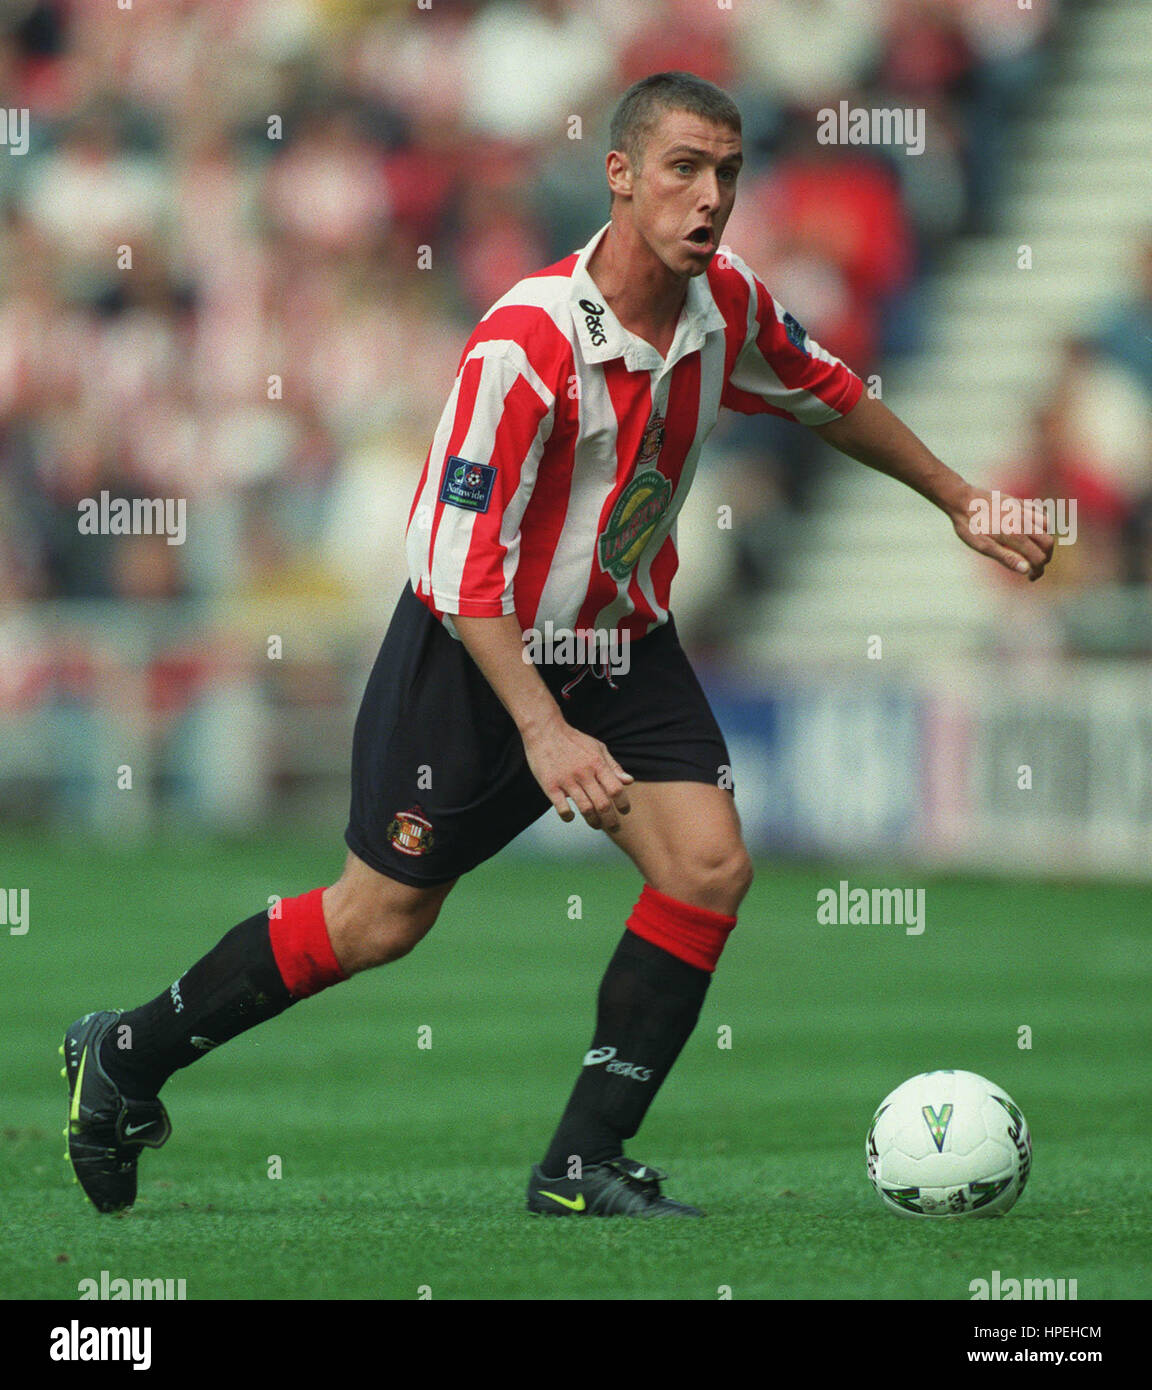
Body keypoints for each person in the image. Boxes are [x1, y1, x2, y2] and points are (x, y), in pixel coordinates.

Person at [62, 71, 1053, 1219]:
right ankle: (128, 1053)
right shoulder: (523, 347)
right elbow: (456, 563)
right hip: (473, 654)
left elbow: (830, 394)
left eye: (728, 172)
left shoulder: (725, 305)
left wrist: (960, 498)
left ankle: (580, 1165)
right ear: (620, 176)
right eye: (684, 168)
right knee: (379, 919)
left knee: (708, 865)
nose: (712, 197)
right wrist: (541, 727)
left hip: (623, 642)